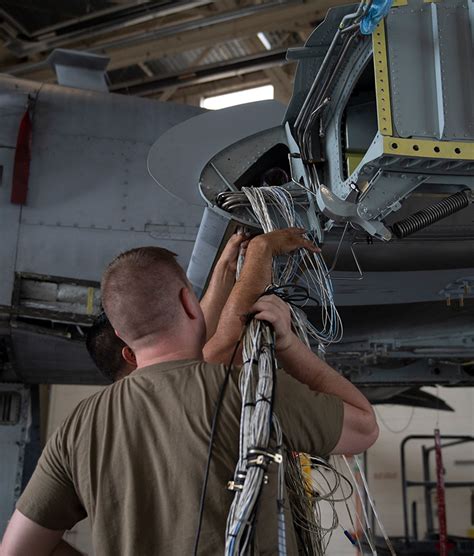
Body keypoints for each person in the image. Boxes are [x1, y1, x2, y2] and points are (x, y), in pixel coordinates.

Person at [1, 229, 378, 556]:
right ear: (187, 301)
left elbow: (16, 550)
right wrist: (289, 345)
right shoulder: (247, 390)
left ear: (122, 335)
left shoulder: (77, 428)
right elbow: (363, 429)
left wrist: (227, 271)